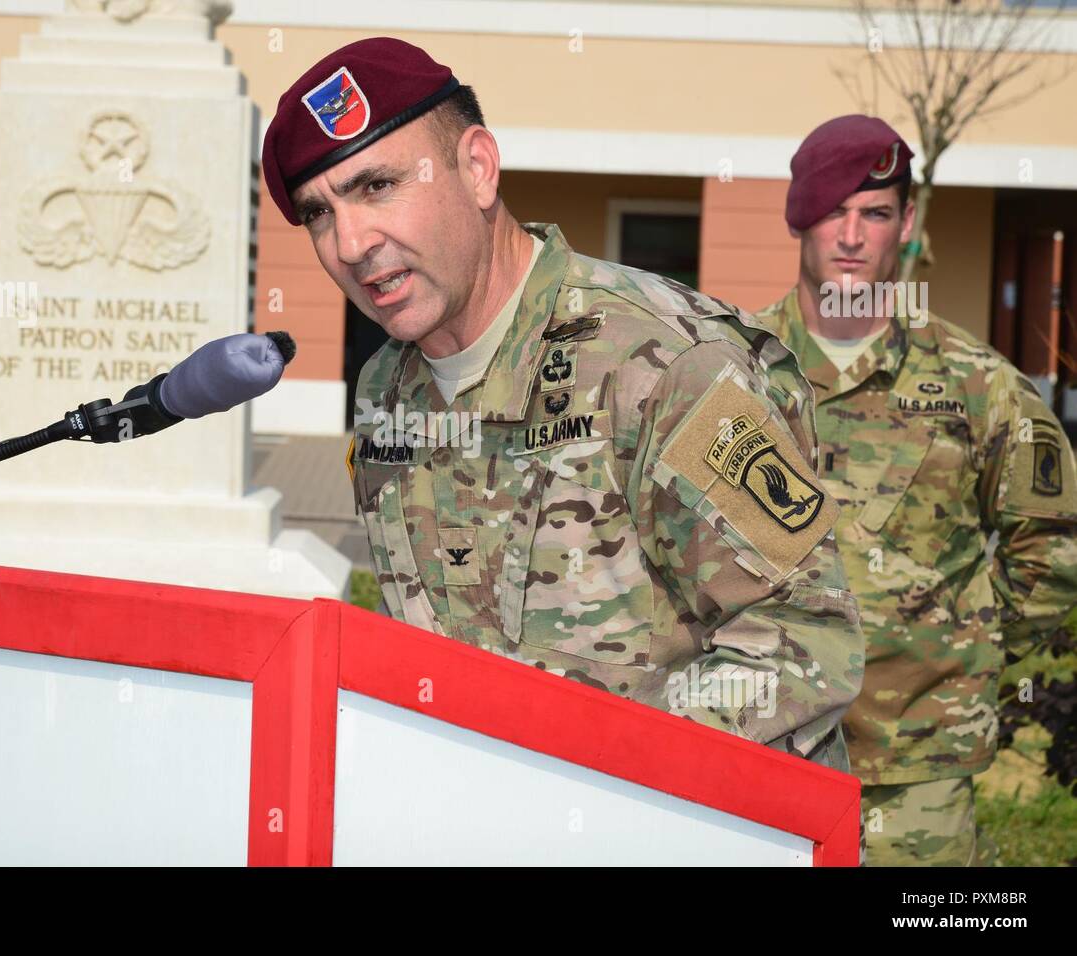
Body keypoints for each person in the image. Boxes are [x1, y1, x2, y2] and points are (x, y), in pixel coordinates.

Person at [262, 37, 865, 770]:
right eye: (319, 212)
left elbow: (806, 641)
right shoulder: (387, 387)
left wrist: (591, 775)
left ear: (477, 168)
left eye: (377, 186)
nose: (350, 242)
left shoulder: (660, 363)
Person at [754, 114, 1077, 864]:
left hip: (920, 770)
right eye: (835, 210)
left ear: (906, 225)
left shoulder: (975, 381)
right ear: (800, 218)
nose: (852, 236)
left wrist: (967, 651)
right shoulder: (735, 366)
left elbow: (1053, 543)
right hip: (767, 744)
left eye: (876, 213)